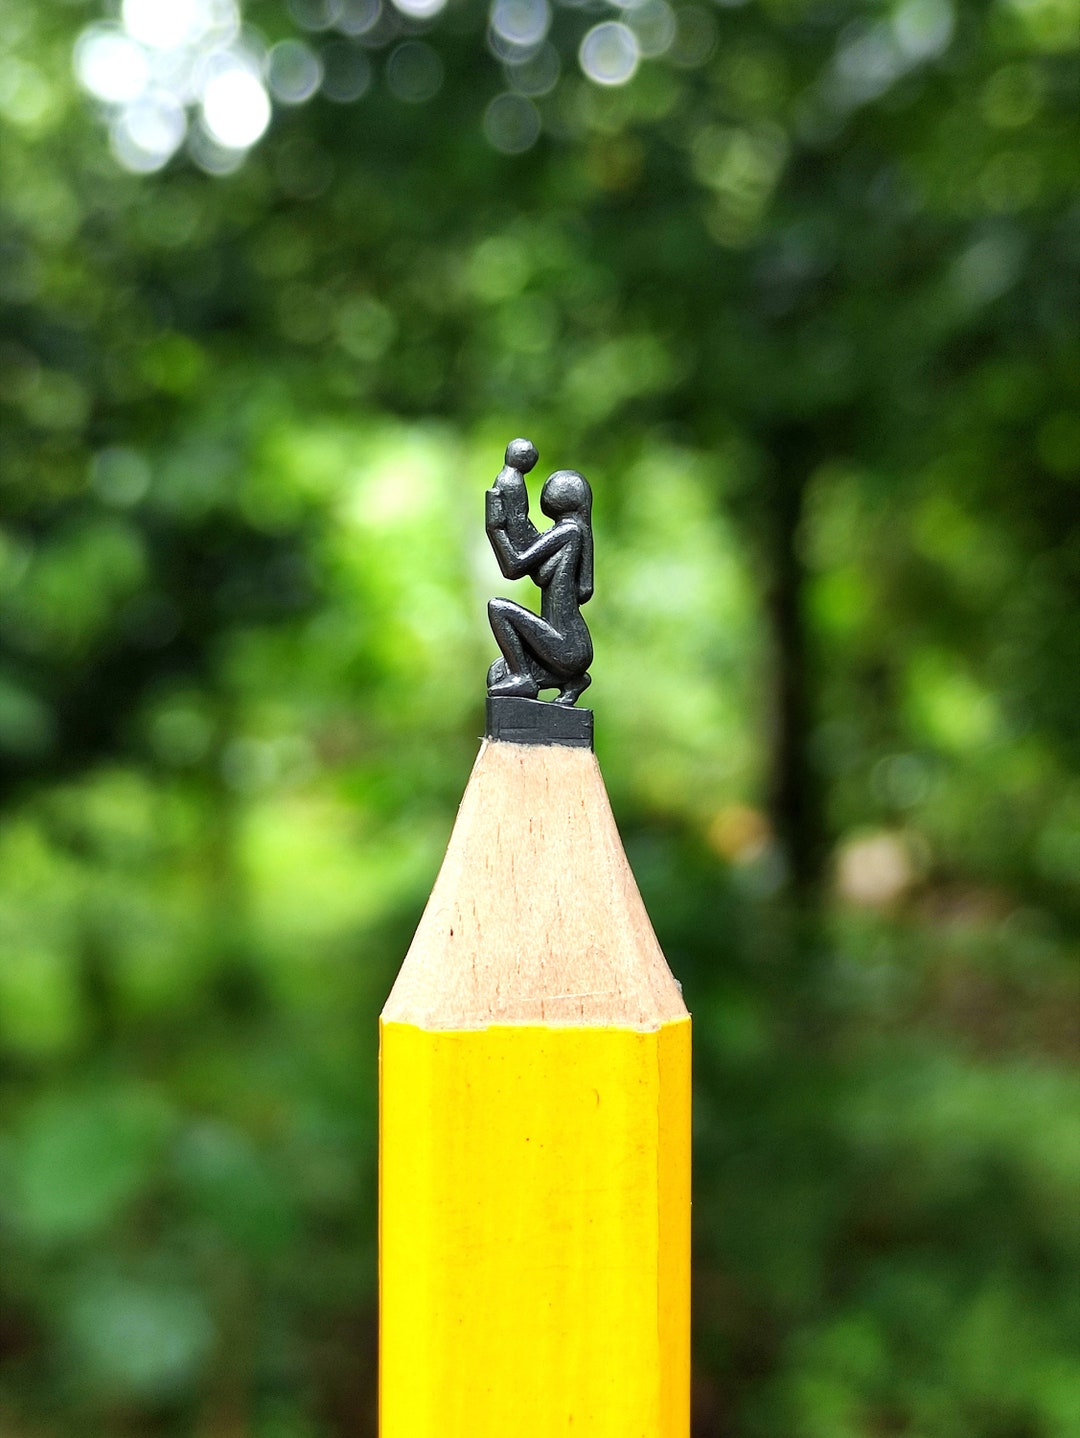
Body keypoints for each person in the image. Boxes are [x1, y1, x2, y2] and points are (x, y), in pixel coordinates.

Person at [486, 461, 593, 706]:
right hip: (567, 643)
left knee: (498, 608)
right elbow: (534, 559)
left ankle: (524, 677)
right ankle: (571, 680)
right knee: (497, 674)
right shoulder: (568, 534)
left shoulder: (568, 531)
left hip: (567, 643)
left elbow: (514, 565)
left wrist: (496, 528)